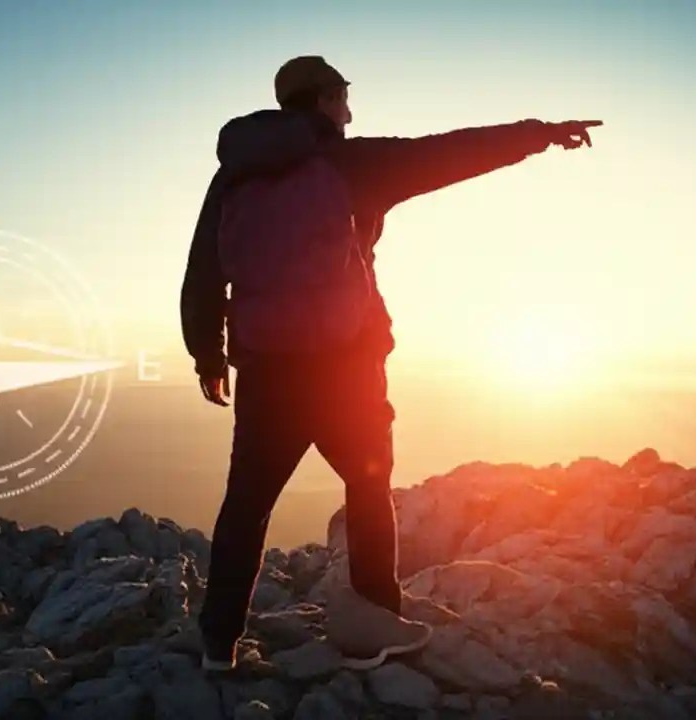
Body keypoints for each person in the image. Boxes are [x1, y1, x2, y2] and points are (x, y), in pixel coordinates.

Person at [181, 55, 601, 672]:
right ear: (324, 100)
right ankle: (375, 624)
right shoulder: (350, 162)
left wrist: (208, 355)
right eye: (344, 93)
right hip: (345, 369)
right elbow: (449, 154)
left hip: (266, 371)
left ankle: (219, 645)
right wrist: (540, 133)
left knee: (245, 504)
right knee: (368, 487)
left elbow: (202, 270)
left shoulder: (235, 176)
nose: (350, 105)